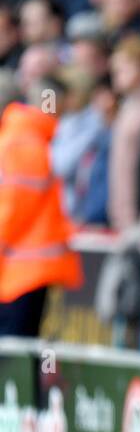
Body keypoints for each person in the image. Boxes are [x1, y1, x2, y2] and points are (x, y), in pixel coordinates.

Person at [0, 73, 82, 337]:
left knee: (17, 357)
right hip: (23, 271)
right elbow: (12, 208)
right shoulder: (26, 141)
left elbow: (12, 209)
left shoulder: (21, 140)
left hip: (20, 272)